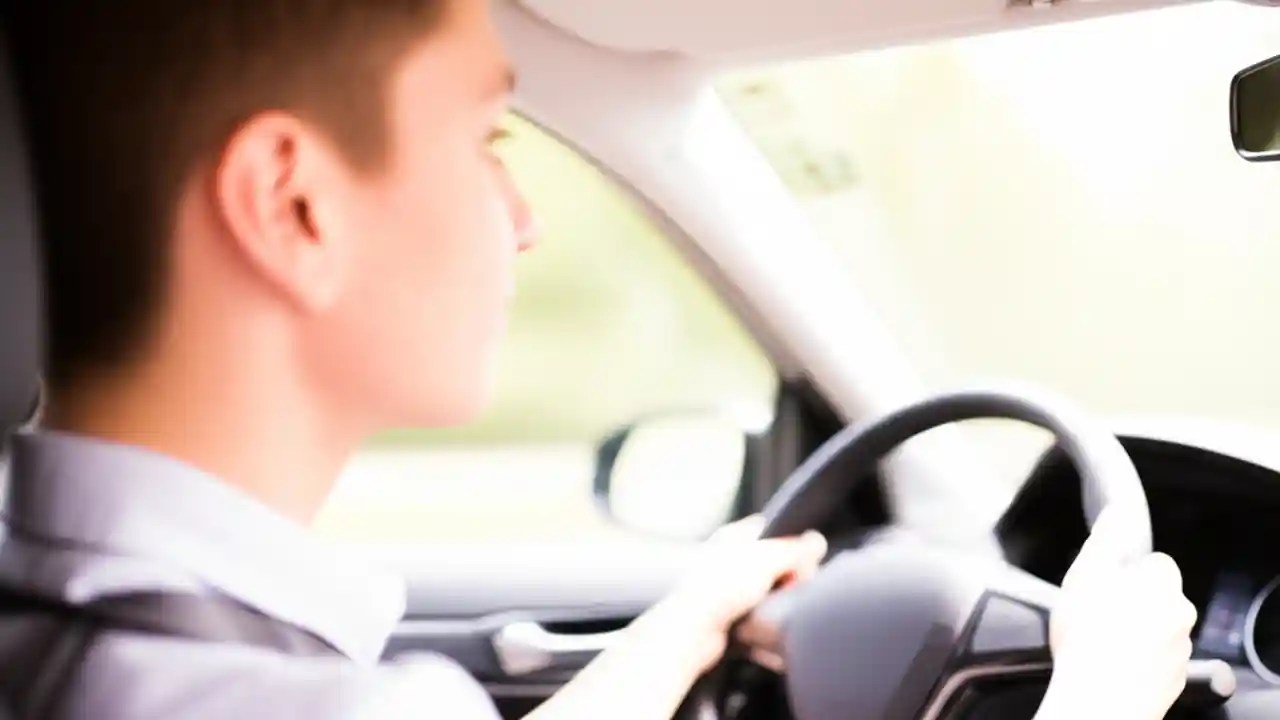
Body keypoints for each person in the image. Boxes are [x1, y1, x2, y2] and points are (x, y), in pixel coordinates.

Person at [0, 0, 1196, 718]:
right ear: (292, 207)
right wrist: (1093, 699)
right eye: (484, 141)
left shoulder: (75, 638)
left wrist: (677, 630)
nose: (521, 219)